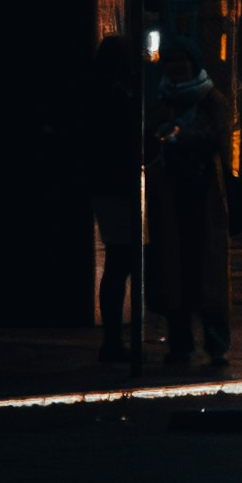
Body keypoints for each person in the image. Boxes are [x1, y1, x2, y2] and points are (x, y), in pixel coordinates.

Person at [146, 40, 232, 371]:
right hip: (171, 198)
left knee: (208, 274)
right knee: (175, 274)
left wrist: (176, 136)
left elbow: (217, 138)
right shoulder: (162, 100)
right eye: (171, 61)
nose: (177, 67)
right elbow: (148, 138)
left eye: (183, 60)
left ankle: (216, 345)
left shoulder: (210, 99)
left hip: (205, 195)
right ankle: (181, 344)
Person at [87, 28, 147, 365]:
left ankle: (112, 338)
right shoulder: (120, 95)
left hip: (103, 185)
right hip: (121, 185)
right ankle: (114, 339)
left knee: (116, 260)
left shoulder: (95, 92)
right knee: (121, 261)